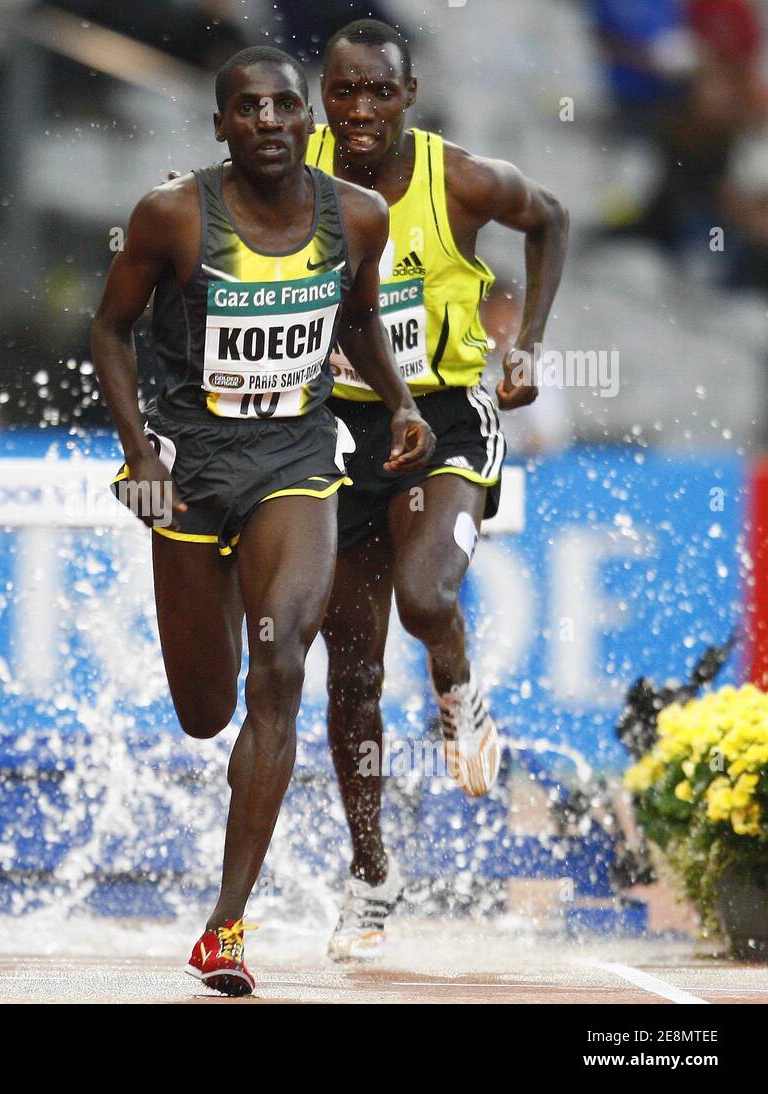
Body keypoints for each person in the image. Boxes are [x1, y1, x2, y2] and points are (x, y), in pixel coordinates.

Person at [91, 45, 433, 996]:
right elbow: (108, 329)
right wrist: (140, 454)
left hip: (295, 458)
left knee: (279, 669)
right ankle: (220, 723)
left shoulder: (356, 216)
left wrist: (401, 402)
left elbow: (359, 321)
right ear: (220, 126)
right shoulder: (170, 215)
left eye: (286, 105)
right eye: (250, 109)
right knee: (206, 713)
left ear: (305, 119)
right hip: (193, 466)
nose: (272, 122)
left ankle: (225, 927)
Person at [306, 20, 569, 961]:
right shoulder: (289, 173)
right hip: (336, 432)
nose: (361, 110)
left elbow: (553, 219)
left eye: (379, 91)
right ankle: (371, 873)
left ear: (409, 94)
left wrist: (526, 343)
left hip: (446, 414)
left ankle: (458, 694)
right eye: (344, 91)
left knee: (425, 598)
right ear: (321, 97)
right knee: (351, 676)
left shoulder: (459, 179)